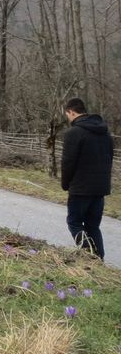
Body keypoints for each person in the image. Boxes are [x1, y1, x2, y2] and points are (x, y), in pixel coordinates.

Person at [61, 98, 113, 260]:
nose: (68, 118)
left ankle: (88, 256)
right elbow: (109, 159)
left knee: (74, 222)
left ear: (71, 112)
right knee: (93, 226)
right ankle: (99, 259)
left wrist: (65, 184)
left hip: (80, 188)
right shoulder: (105, 133)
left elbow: (68, 162)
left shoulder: (73, 133)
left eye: (67, 114)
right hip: (100, 189)